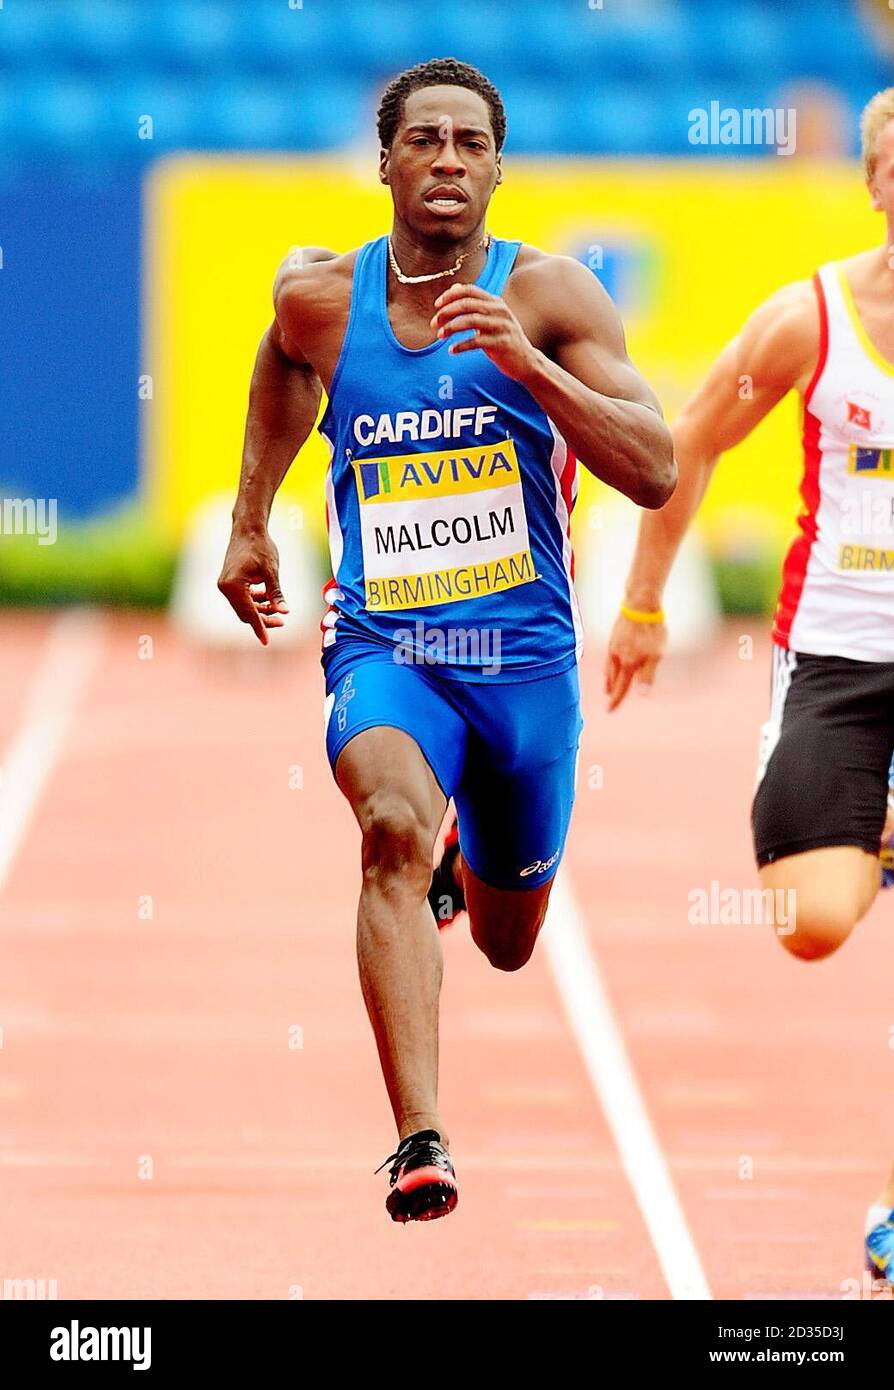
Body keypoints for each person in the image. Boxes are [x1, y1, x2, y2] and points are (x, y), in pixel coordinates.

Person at [220, 57, 674, 1222]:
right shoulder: (322, 297)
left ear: (497, 169)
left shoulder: (557, 296)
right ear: (385, 162)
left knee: (512, 943)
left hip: (525, 672)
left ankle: (473, 860)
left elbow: (657, 465)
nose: (447, 162)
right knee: (387, 830)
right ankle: (420, 1136)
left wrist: (530, 370)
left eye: (470, 144)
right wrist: (251, 519)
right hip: (391, 648)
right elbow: (281, 365)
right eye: (424, 140)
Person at [605, 86, 894, 1281]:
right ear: (875, 179)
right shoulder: (808, 319)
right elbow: (689, 446)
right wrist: (639, 604)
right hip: (832, 657)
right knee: (812, 924)